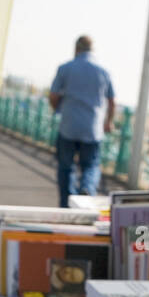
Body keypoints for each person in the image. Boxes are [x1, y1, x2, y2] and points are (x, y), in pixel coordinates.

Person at [49, 35, 115, 208]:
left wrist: (57, 108)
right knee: (91, 166)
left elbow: (54, 95)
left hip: (68, 125)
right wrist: (109, 121)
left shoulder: (65, 68)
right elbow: (112, 101)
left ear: (76, 49)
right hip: (92, 128)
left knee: (66, 167)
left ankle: (66, 204)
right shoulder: (103, 72)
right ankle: (86, 191)